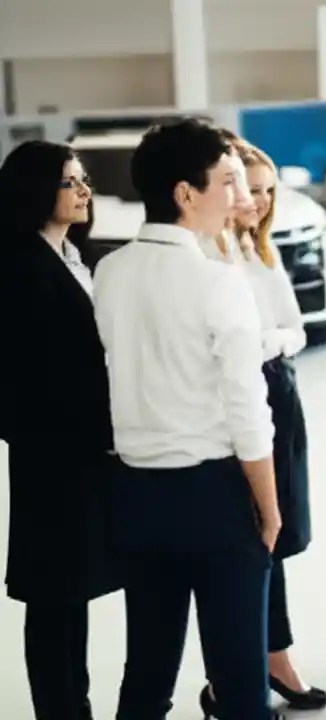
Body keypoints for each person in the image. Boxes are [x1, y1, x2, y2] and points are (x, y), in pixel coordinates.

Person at [93, 119, 284, 720]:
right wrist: (271, 507)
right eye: (228, 182)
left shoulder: (110, 272)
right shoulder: (218, 282)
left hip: (135, 494)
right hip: (214, 496)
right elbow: (246, 410)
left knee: (146, 671)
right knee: (239, 679)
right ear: (185, 193)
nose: (241, 197)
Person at [195, 139, 326, 712]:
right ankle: (241, 671)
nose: (259, 200)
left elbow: (295, 330)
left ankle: (269, 656)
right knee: (250, 540)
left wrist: (264, 342)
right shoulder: (206, 254)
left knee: (280, 535)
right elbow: (229, 345)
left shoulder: (258, 248)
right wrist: (266, 343)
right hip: (236, 405)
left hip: (279, 395)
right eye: (249, 187)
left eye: (267, 189)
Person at [0, 141, 120, 720]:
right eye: (71, 181)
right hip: (51, 453)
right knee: (53, 594)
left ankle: (75, 706)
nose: (84, 191)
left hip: (81, 450)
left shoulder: (73, 255)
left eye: (83, 180)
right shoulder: (20, 266)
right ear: (35, 190)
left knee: (71, 591)